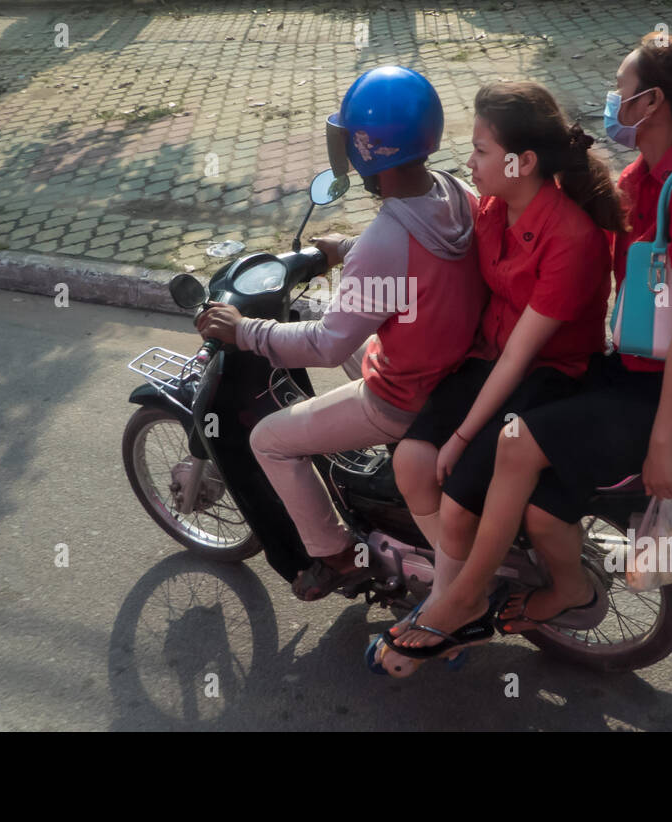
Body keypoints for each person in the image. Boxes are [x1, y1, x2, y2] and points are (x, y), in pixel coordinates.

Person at [390, 32, 672, 659]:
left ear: (652, 103)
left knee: (516, 441)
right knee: (543, 513)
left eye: (622, 90)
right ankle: (570, 593)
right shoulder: (639, 178)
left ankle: (461, 600)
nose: (613, 101)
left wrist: (667, 443)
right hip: (630, 377)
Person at [195, 66, 486, 601]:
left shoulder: (386, 236)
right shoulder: (456, 192)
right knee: (363, 348)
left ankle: (336, 554)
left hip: (404, 396)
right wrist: (347, 251)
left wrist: (246, 331)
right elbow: (414, 268)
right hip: (455, 367)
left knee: (270, 440)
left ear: (365, 150)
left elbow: (327, 345)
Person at [382, 81, 624, 671]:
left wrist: (462, 435)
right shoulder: (492, 207)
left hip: (546, 374)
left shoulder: (572, 238)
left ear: (524, 161)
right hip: (489, 361)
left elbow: (521, 357)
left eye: (482, 150)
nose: (470, 162)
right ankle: (461, 586)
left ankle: (453, 606)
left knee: (460, 502)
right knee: (411, 463)